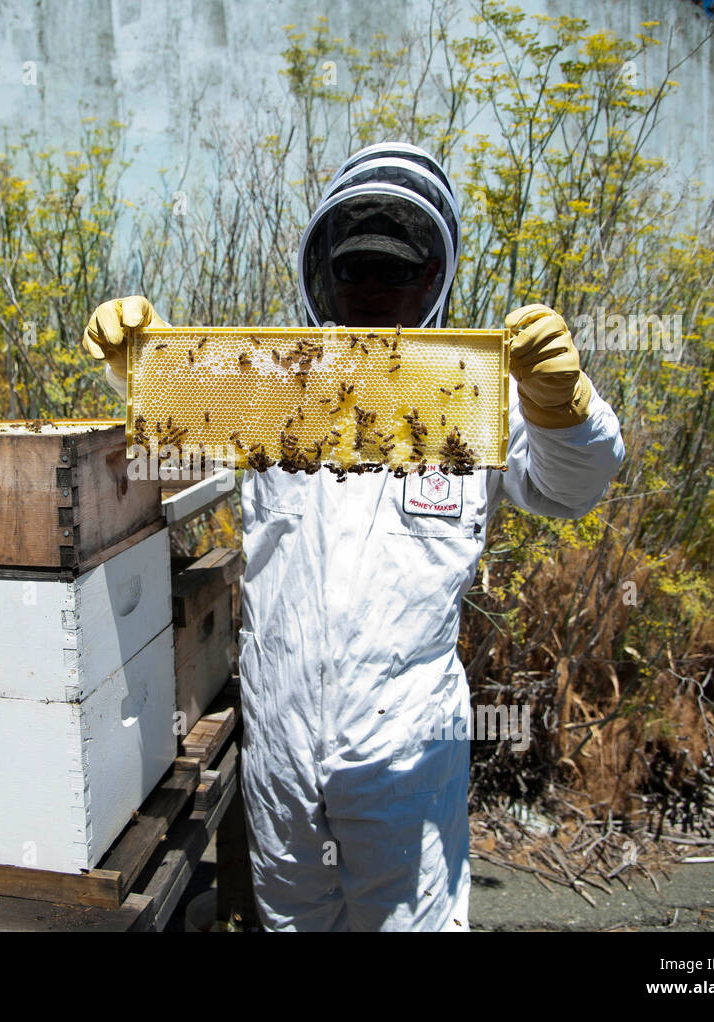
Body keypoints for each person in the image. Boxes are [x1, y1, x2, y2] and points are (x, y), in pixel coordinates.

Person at [80, 142, 625, 931]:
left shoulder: (476, 388)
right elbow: (174, 447)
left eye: (393, 273)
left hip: (407, 743)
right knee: (292, 920)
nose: (371, 289)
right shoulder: (275, 383)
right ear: (322, 274)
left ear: (433, 278)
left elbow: (569, 488)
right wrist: (146, 367)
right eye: (354, 270)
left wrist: (562, 408)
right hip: (282, 733)